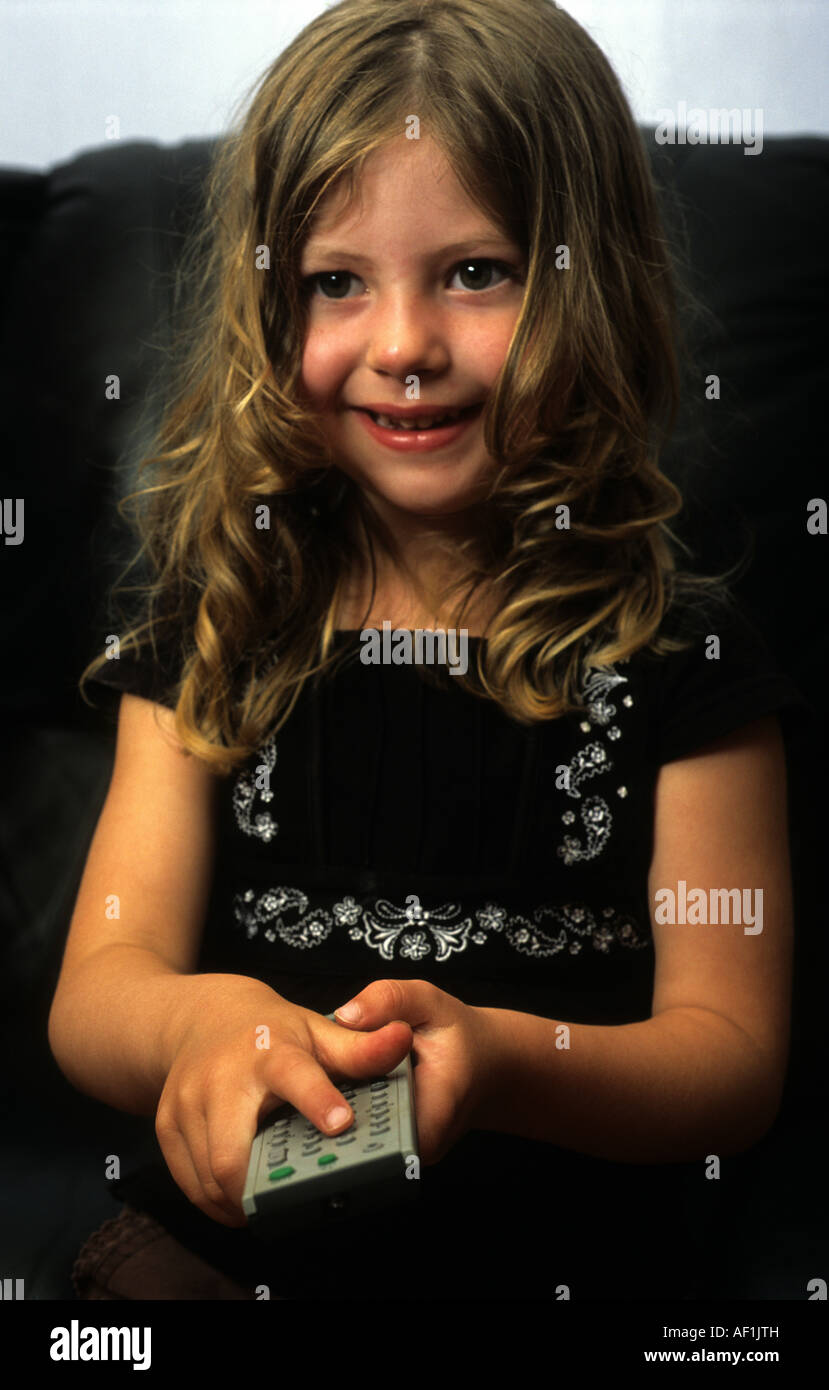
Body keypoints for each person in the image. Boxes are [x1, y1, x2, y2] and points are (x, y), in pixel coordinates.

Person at [49, 0, 812, 1301]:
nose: (401, 346)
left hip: (559, 1269)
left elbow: (727, 1055)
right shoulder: (216, 625)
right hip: (226, 1258)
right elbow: (99, 988)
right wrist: (200, 1019)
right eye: (335, 283)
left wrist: (502, 1059)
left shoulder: (680, 659)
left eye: (477, 272)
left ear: (595, 282)